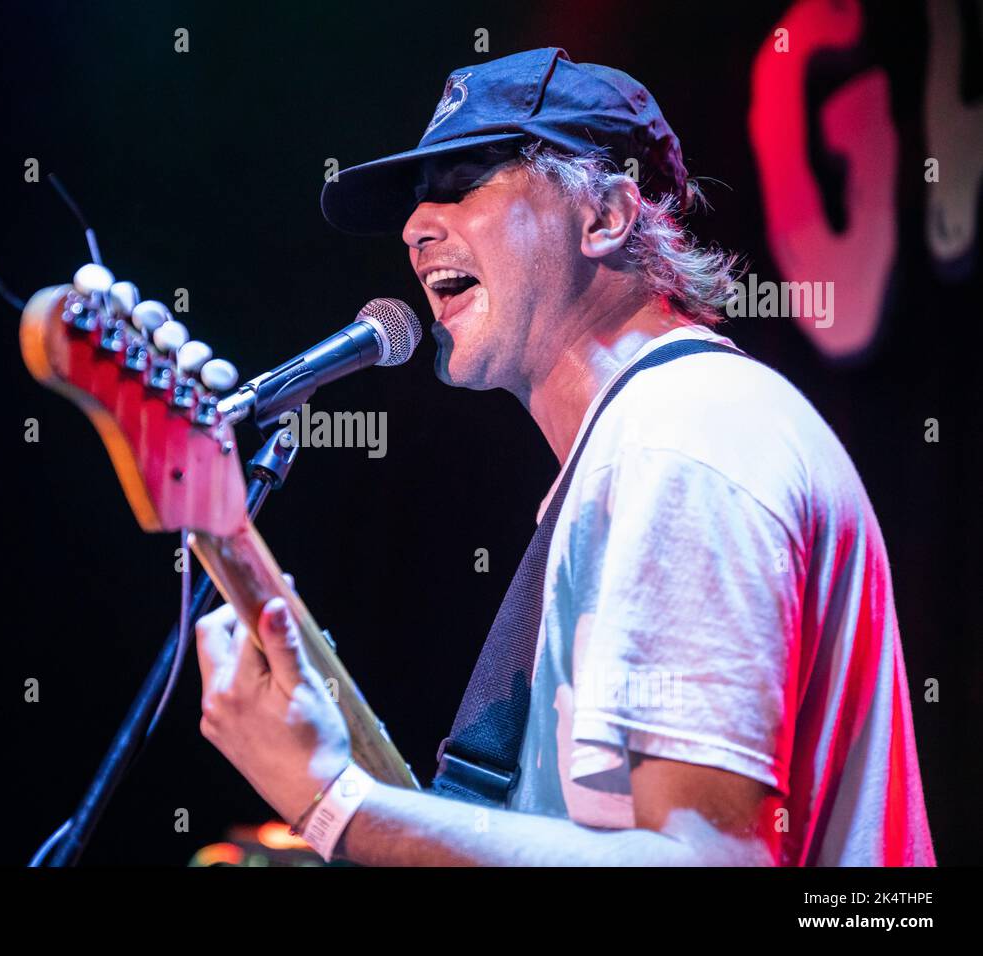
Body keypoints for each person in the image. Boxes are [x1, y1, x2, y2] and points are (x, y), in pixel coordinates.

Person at [192, 47, 935, 866]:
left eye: (464, 180)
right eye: (417, 199)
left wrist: (338, 805)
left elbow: (708, 860)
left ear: (606, 216)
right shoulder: (643, 442)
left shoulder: (681, 439)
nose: (413, 228)